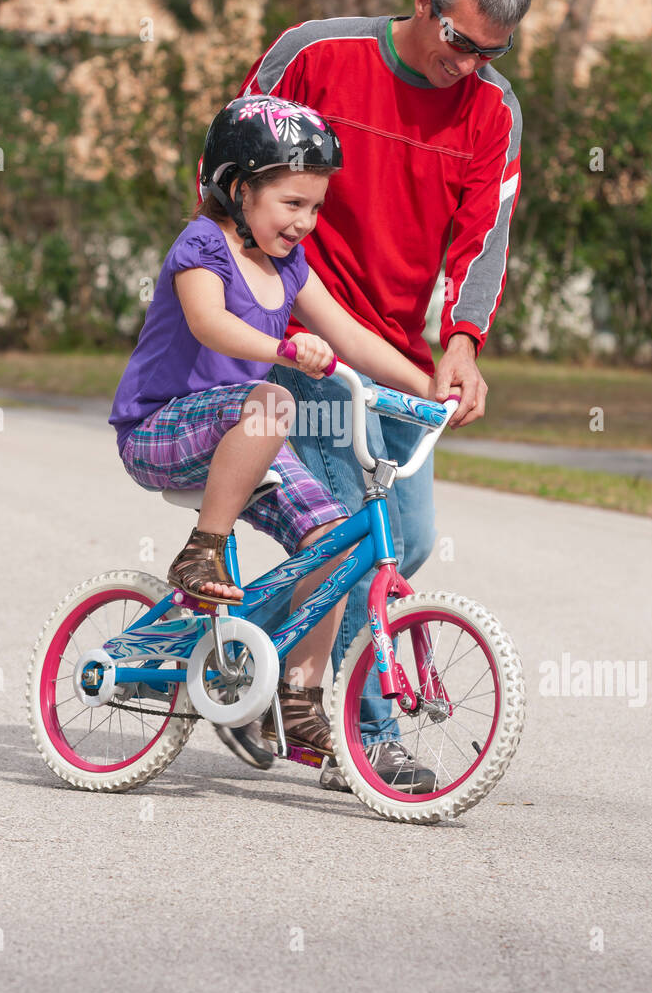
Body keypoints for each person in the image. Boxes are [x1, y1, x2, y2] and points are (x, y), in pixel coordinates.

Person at [213, 0, 533, 792]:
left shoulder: (491, 111)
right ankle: (361, 729)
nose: (469, 67)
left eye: (490, 53)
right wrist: (257, 293)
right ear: (425, 1)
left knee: (410, 538)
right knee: (347, 523)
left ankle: (251, 663)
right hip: (301, 333)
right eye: (459, 43)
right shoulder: (316, 53)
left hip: (392, 355)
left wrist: (461, 343)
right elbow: (226, 171)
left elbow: (482, 242)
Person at [109, 95, 450, 768]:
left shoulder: (291, 266)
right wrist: (286, 351)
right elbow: (210, 324)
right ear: (237, 188)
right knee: (269, 400)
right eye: (292, 203)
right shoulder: (201, 245)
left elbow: (351, 336)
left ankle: (295, 701)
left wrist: (428, 384)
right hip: (161, 428)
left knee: (333, 543)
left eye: (316, 207)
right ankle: (201, 550)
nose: (306, 221)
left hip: (244, 433)